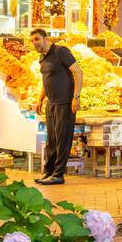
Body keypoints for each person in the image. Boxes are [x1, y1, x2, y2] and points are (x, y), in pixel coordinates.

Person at [32, 28, 82, 185]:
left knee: (63, 139)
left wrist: (76, 97)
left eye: (37, 39)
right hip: (51, 104)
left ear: (46, 39)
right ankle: (49, 172)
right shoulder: (42, 57)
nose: (35, 43)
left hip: (65, 103)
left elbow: (78, 73)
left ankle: (59, 174)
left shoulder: (61, 51)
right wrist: (40, 99)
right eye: (33, 40)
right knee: (52, 140)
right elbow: (45, 80)